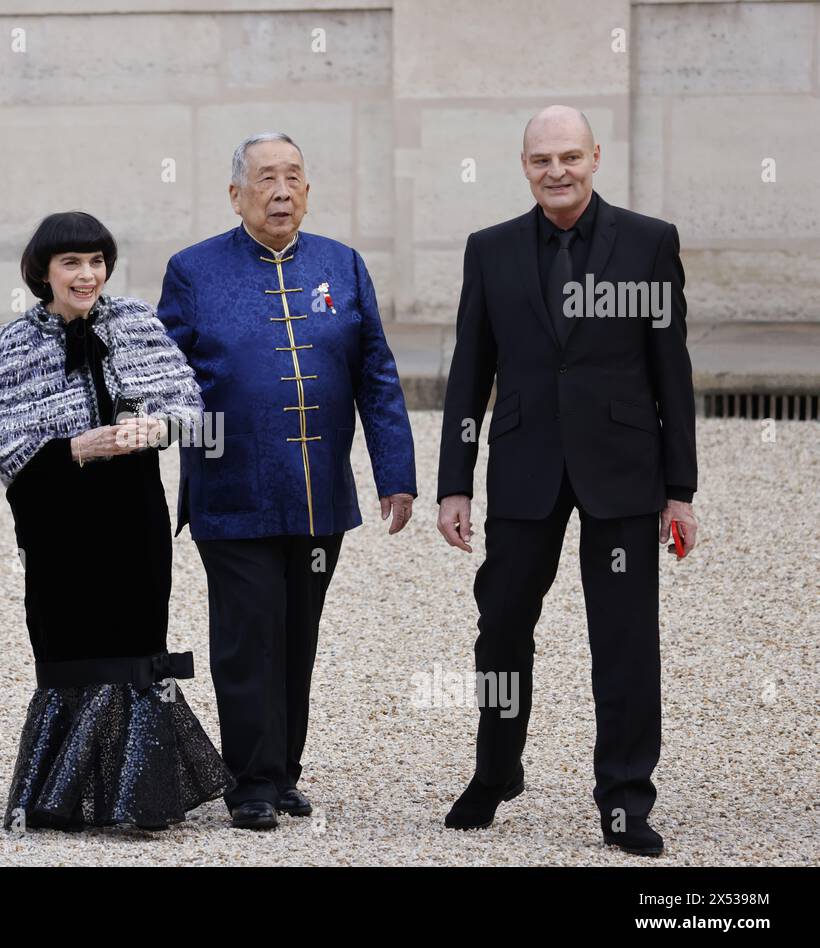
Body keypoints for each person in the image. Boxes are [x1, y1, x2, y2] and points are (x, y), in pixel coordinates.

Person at [436, 106, 699, 856]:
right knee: (501, 630)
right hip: (524, 468)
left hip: (622, 471)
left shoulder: (649, 242)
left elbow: (669, 370)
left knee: (624, 640)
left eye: (569, 157)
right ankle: (494, 771)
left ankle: (623, 798)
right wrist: (456, 480)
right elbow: (469, 372)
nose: (557, 170)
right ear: (524, 165)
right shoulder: (490, 250)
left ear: (595, 157)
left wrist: (680, 488)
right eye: (541, 158)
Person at [157, 133, 417, 830]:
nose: (281, 191)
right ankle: (248, 782)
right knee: (248, 638)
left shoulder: (343, 264)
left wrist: (396, 473)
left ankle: (283, 770)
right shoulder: (193, 270)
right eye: (266, 179)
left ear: (308, 189)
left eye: (293, 177)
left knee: (297, 635)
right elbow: (162, 375)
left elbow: (378, 376)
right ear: (236, 193)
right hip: (232, 491)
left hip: (318, 495)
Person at [0, 211, 232, 831]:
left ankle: (139, 795)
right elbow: (2, 440)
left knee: (136, 637)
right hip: (57, 515)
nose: (86, 274)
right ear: (44, 271)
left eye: (96, 262)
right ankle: (64, 795)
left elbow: (186, 404)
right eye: (71, 263)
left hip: (132, 509)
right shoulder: (16, 341)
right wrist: (76, 448)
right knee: (67, 641)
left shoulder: (137, 322)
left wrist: (157, 425)